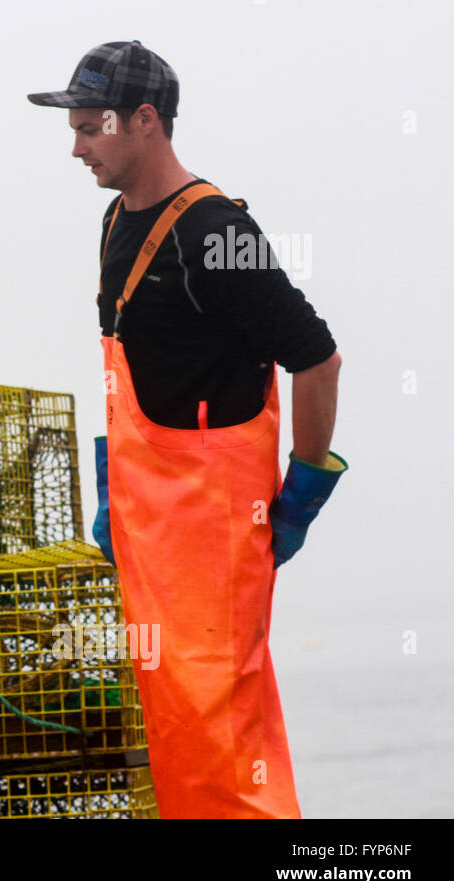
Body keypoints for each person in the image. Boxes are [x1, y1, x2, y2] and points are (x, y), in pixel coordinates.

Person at [28, 41, 347, 818]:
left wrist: (300, 493)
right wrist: (113, 484)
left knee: (223, 728)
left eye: (90, 128)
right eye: (70, 128)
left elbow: (318, 360)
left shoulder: (215, 232)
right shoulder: (114, 225)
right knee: (173, 721)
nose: (75, 147)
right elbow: (127, 372)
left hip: (216, 533)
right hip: (145, 530)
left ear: (146, 121)